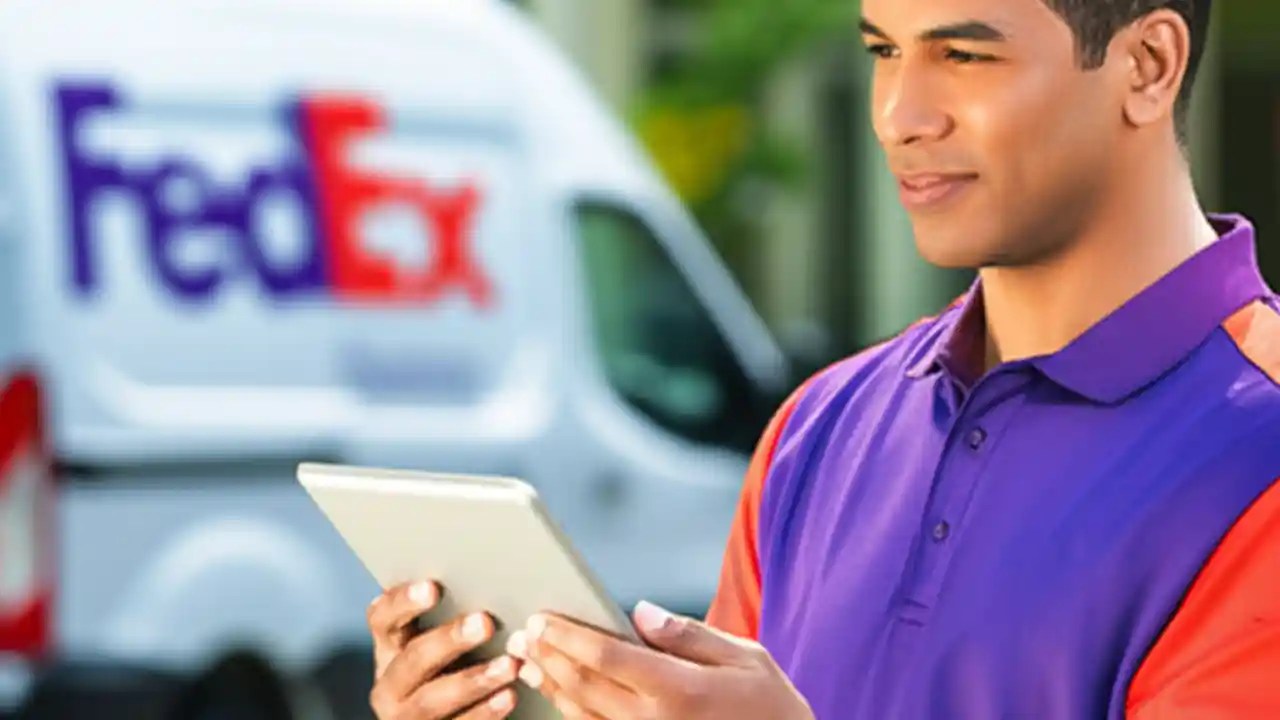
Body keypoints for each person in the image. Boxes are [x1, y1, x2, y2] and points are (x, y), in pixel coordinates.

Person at [364, 0, 1280, 717]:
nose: (897, 116)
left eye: (963, 55)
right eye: (884, 50)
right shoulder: (817, 426)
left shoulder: (1257, 454)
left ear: (1148, 66)